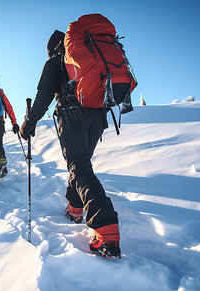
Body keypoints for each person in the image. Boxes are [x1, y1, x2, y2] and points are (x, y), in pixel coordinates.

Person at [20, 30, 129, 258]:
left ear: (53, 49)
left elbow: (44, 94)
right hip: (98, 117)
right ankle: (75, 209)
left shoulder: (54, 62)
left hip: (73, 116)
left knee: (80, 169)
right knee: (80, 166)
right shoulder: (87, 56)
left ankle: (106, 231)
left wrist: (30, 121)